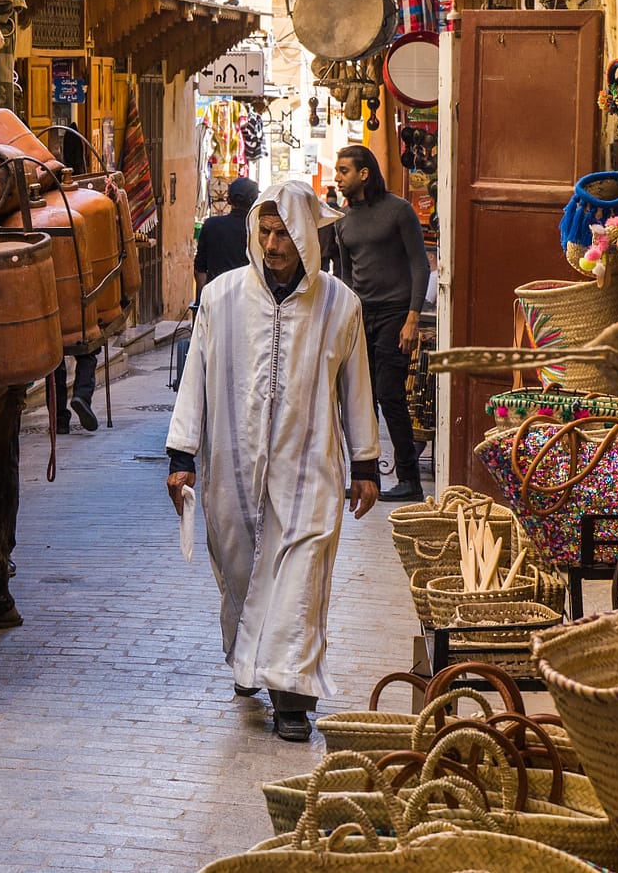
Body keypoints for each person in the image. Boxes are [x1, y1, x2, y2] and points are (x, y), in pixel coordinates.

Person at [165, 180, 380, 742]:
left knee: (302, 579)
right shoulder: (222, 299)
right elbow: (197, 378)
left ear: (307, 235)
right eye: (264, 232)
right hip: (232, 472)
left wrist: (365, 464)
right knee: (241, 572)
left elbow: (357, 390)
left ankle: (291, 698)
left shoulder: (340, 305)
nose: (273, 242)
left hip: (311, 474)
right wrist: (181, 453)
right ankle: (247, 654)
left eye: (283, 232)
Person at [331, 145, 431, 503]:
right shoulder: (341, 220)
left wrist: (413, 317)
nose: (337, 177)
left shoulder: (399, 211)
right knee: (359, 398)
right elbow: (343, 273)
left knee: (390, 394)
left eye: (344, 171)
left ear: (364, 173)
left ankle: (409, 479)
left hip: (394, 314)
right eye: (337, 171)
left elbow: (420, 265)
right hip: (358, 317)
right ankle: (366, 477)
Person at [194, 175, 258, 299]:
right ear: (255, 201)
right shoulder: (259, 229)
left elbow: (199, 270)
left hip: (216, 296)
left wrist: (204, 299)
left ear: (228, 200)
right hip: (248, 299)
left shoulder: (211, 225)